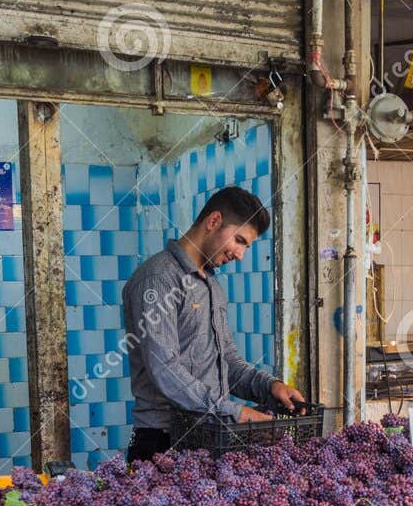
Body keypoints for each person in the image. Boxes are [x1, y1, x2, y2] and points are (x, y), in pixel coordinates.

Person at [123, 186, 305, 463]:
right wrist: (236, 412)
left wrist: (270, 387)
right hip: (163, 441)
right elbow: (165, 369)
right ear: (214, 221)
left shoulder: (212, 286)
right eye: (240, 241)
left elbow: (228, 363)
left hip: (209, 436)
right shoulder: (157, 280)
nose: (241, 255)